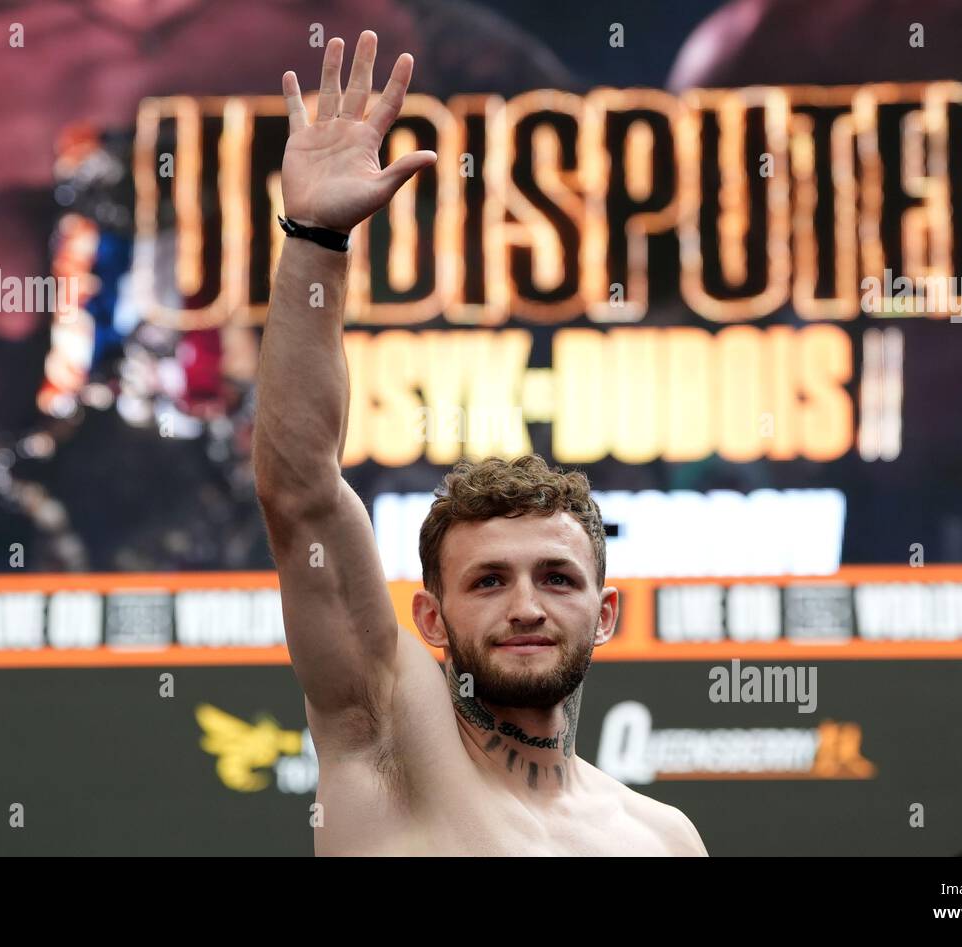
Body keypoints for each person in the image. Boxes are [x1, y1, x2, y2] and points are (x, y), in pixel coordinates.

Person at [254, 30, 707, 856]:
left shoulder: (664, 839)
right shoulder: (392, 748)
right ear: (431, 615)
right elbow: (301, 490)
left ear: (605, 613)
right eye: (488, 579)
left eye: (557, 576)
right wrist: (314, 240)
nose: (526, 605)